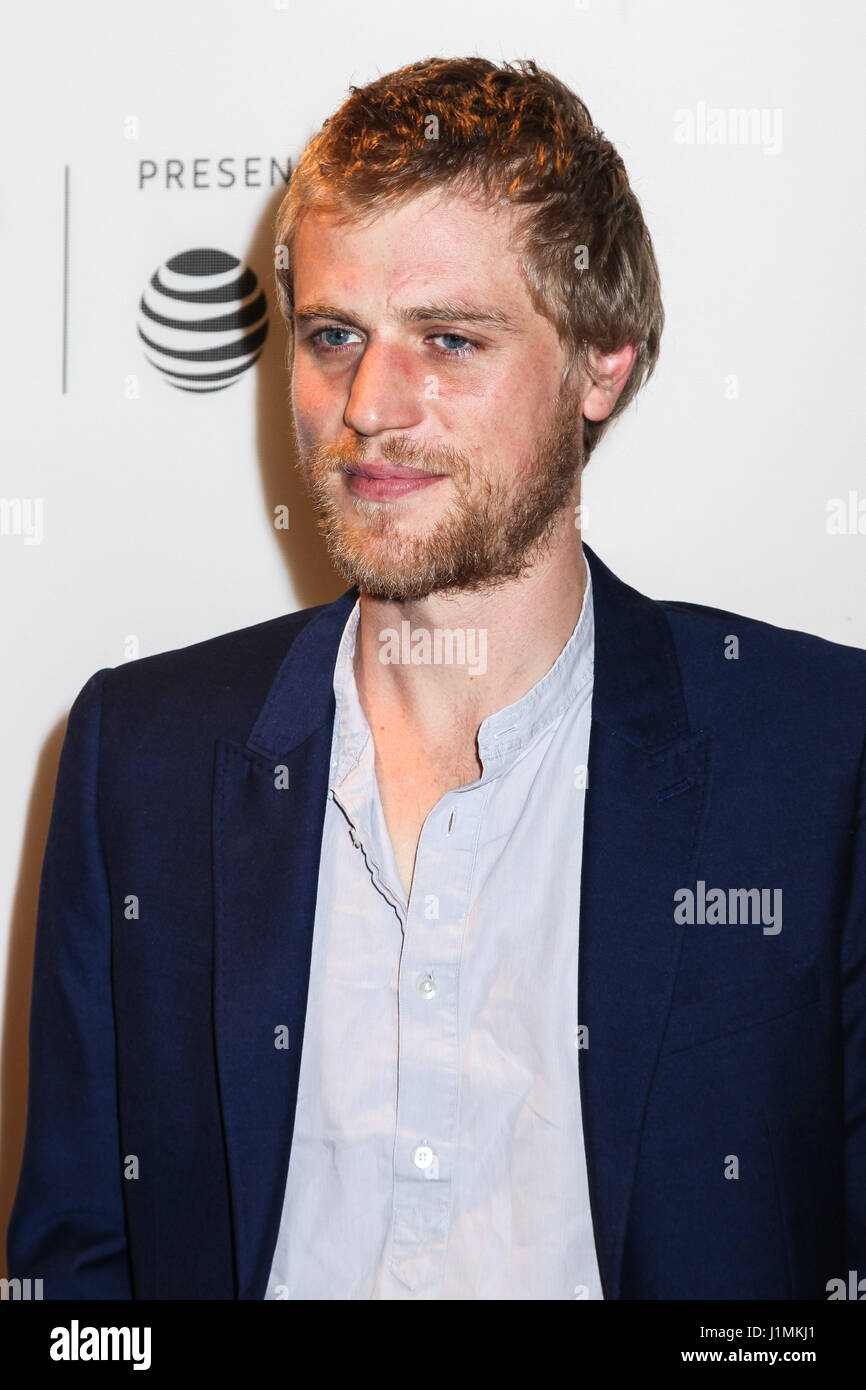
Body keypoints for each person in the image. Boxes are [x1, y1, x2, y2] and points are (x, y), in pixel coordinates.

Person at [8, 56, 866, 1301]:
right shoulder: (135, 756)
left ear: (601, 363)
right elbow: (80, 1289)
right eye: (333, 336)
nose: (366, 405)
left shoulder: (814, 753)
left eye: (448, 339)